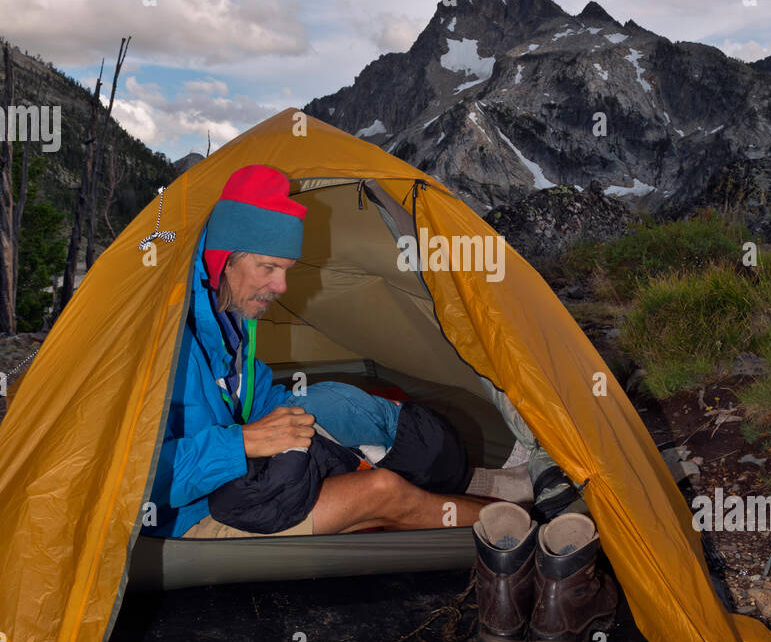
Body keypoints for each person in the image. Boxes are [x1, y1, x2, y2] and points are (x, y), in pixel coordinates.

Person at [148, 164, 516, 540]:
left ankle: (474, 478)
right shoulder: (163, 340)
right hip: (191, 511)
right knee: (383, 491)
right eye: (269, 267)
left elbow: (250, 403)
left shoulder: (229, 317)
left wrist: (324, 408)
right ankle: (519, 524)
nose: (281, 285)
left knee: (344, 402)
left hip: (237, 467)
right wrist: (240, 443)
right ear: (224, 259)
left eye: (287, 268)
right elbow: (130, 481)